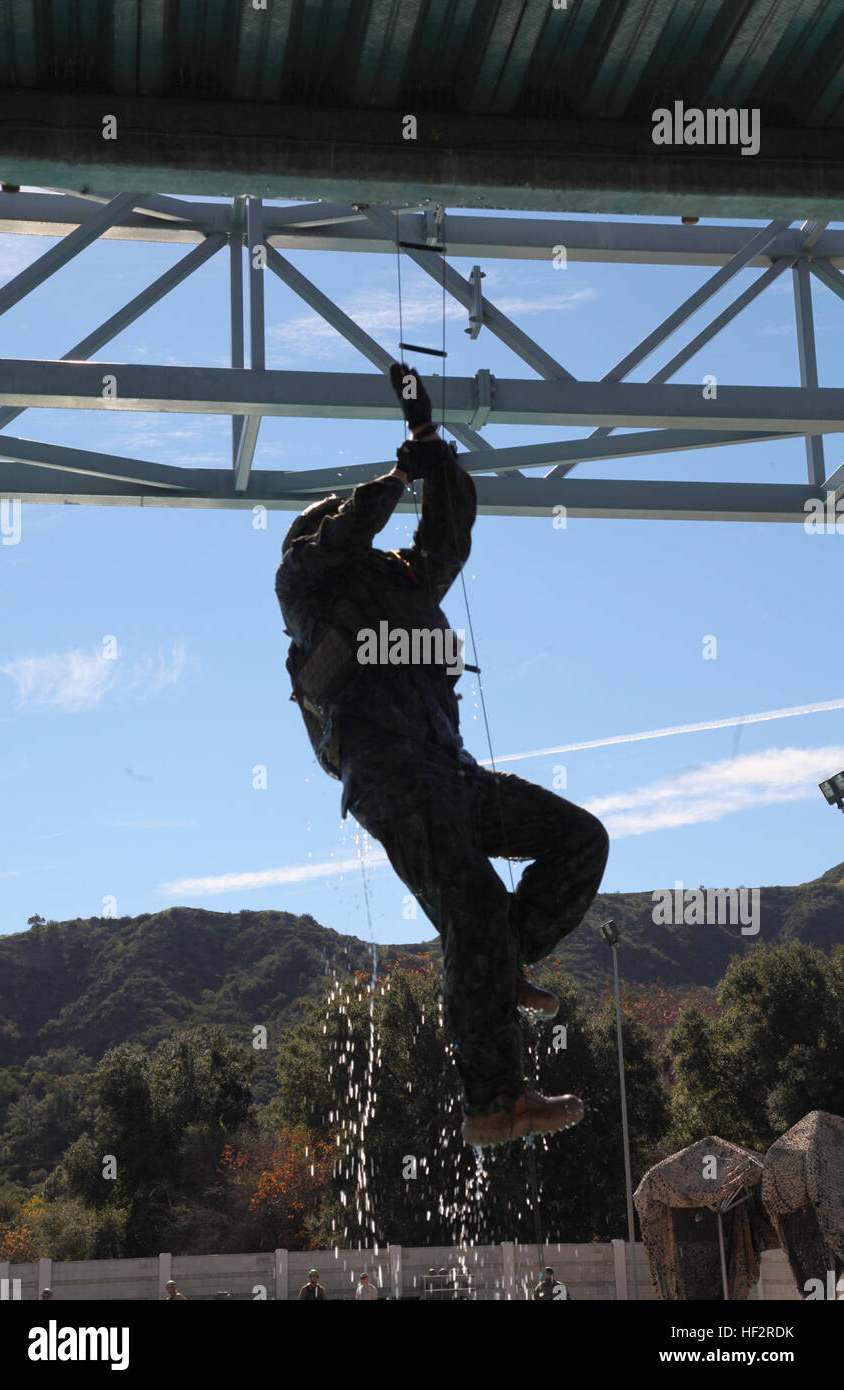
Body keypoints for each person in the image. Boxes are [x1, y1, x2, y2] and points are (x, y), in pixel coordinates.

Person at [276, 363, 609, 1147]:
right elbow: (345, 532)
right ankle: (494, 1101)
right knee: (471, 910)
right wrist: (397, 476)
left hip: (450, 773)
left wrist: (431, 447)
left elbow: (450, 529)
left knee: (578, 840)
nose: (370, 537)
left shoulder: (405, 582)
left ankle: (500, 958)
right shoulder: (303, 583)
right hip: (389, 777)